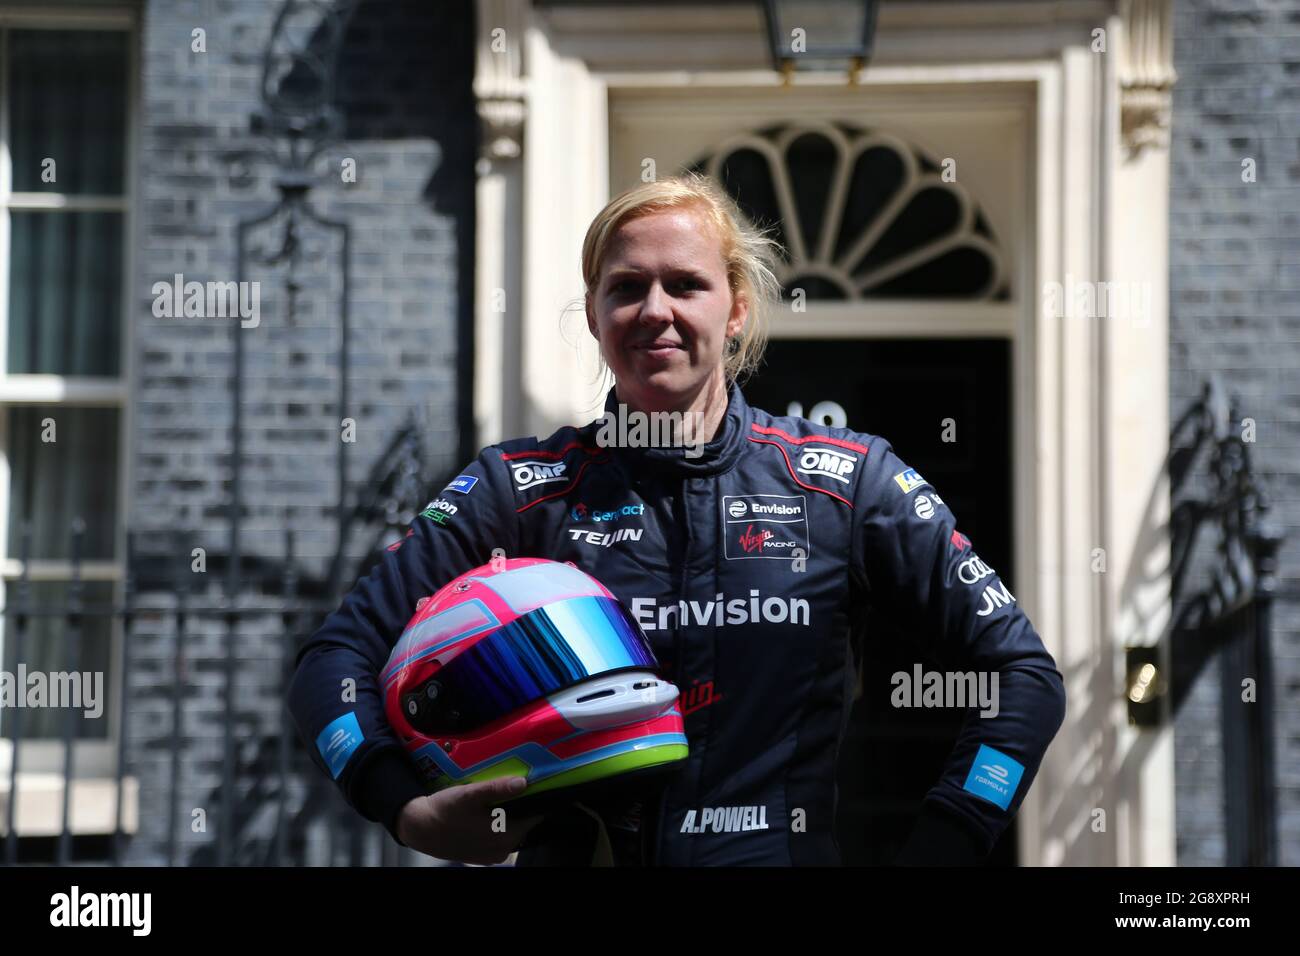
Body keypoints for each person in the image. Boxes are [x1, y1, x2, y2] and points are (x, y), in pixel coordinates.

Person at [286, 171, 1067, 866]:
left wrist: (948, 838)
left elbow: (1023, 676)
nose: (653, 310)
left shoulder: (845, 482)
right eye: (625, 287)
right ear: (593, 314)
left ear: (737, 309)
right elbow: (335, 658)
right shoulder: (521, 487)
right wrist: (402, 807)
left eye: (685, 285)